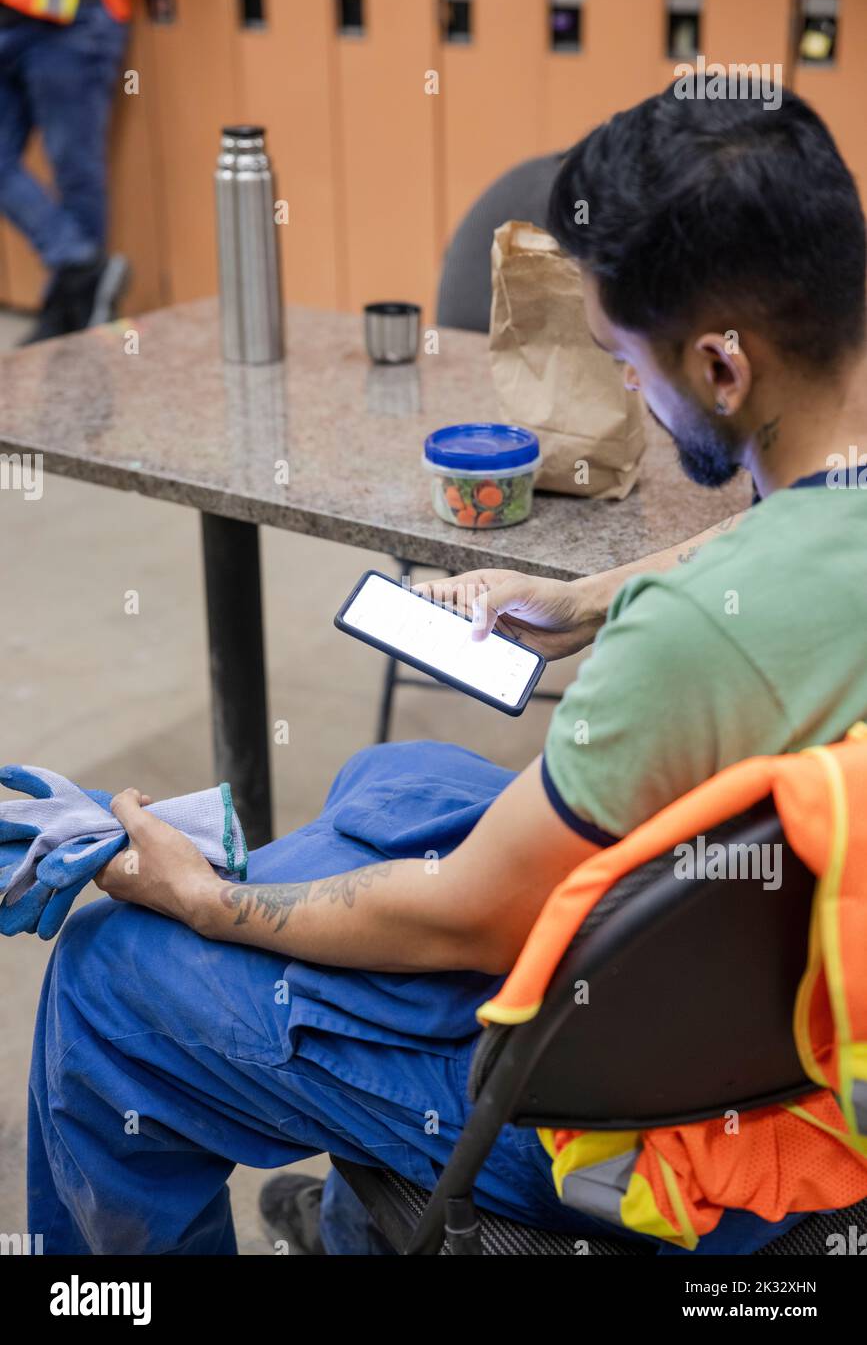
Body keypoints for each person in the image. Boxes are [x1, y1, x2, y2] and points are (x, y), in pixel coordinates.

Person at [26, 79, 867, 1256]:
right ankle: (362, 1228)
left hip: (630, 1131)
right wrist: (584, 595)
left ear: (724, 368)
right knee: (400, 779)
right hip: (808, 1028)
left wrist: (205, 898)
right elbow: (795, 528)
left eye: (628, 360)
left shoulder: (690, 643)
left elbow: (467, 923)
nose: (627, 386)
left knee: (111, 980)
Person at [0, 0, 130, 343]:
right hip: (8, 14)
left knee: (76, 172)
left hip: (71, 19)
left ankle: (72, 313)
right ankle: (78, 262)